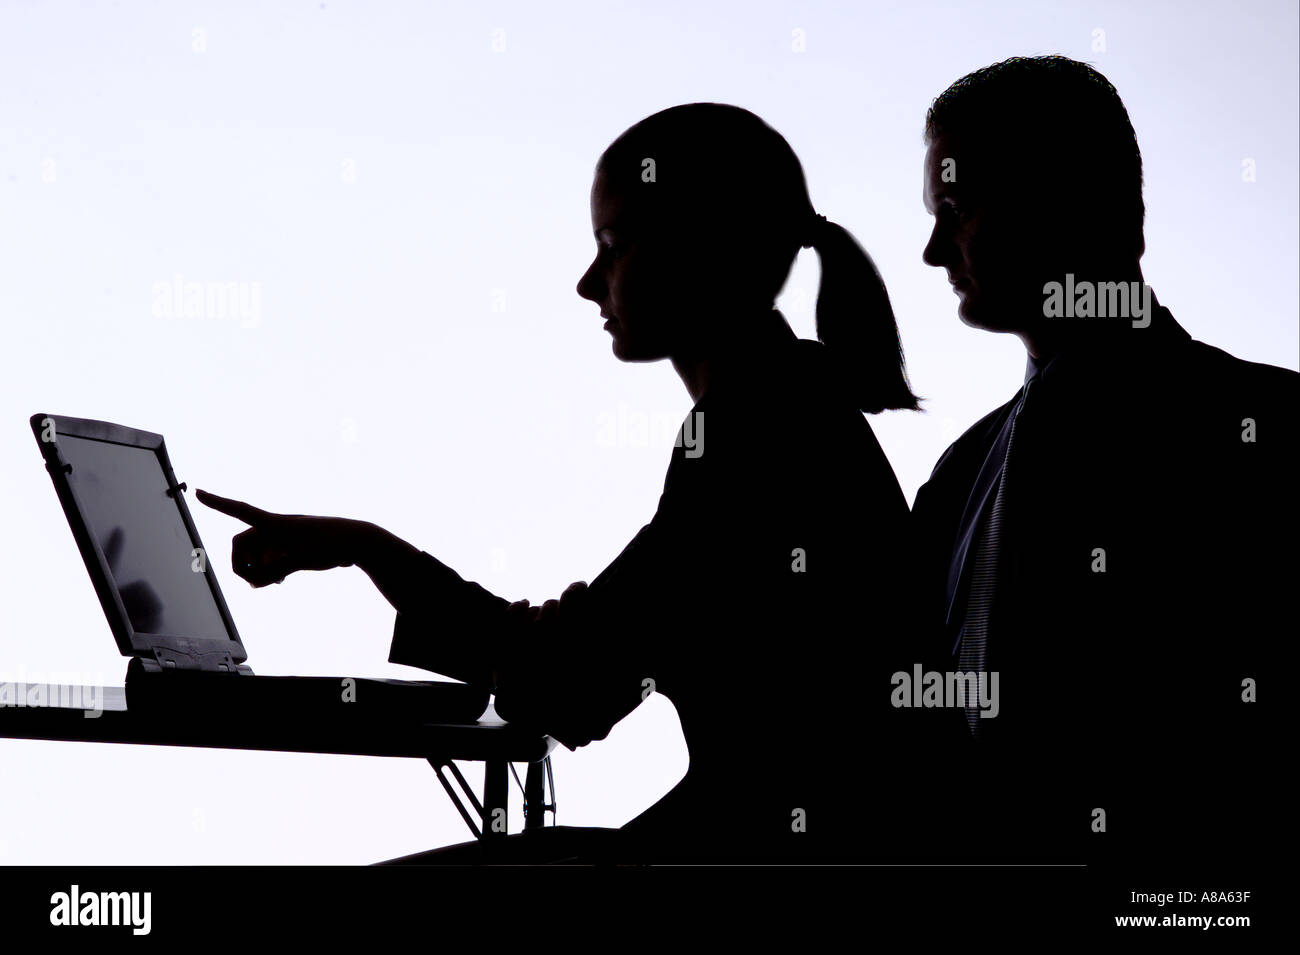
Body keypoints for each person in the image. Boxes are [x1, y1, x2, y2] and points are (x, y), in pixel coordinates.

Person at [198, 102, 920, 863]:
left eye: (612, 245)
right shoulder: (786, 404)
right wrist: (369, 549)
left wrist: (376, 554)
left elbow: (565, 686)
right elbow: (596, 653)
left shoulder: (756, 431)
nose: (586, 283)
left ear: (697, 247)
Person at [909, 56, 1296, 866]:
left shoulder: (1274, 433)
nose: (933, 249)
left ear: (1068, 195)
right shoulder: (956, 479)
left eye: (955, 207)